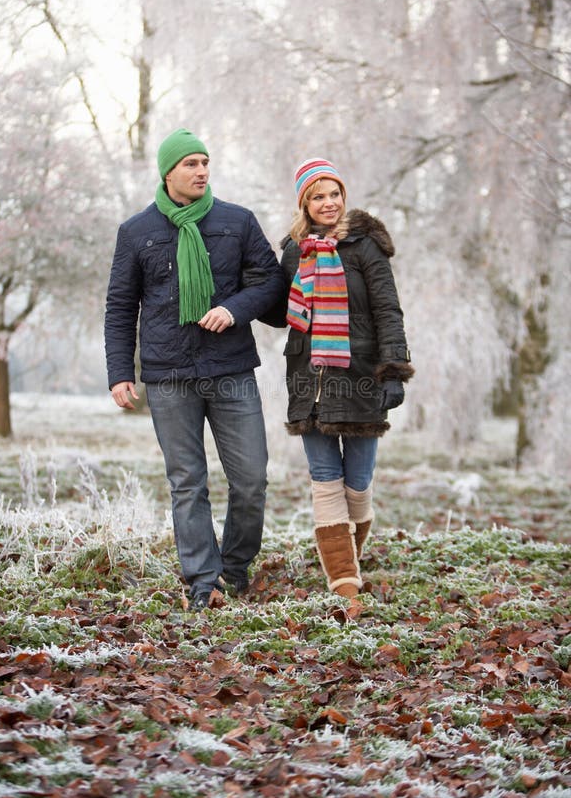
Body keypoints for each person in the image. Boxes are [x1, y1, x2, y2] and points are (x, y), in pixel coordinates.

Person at [104, 128, 285, 611]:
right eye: (191, 163)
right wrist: (121, 372)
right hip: (169, 376)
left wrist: (235, 308)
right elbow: (121, 307)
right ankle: (204, 582)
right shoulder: (136, 232)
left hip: (231, 370)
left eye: (205, 162)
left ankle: (234, 569)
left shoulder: (237, 221)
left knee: (251, 480)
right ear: (168, 171)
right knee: (188, 483)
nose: (202, 170)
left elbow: (271, 282)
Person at [279, 158, 414, 599]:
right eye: (318, 196)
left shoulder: (365, 247)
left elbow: (387, 311)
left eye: (334, 194)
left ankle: (346, 564)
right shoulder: (293, 252)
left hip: (359, 377)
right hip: (309, 378)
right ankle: (345, 584)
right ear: (305, 203)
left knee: (357, 481)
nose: (329, 203)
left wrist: (393, 370)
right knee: (324, 478)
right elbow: (276, 306)